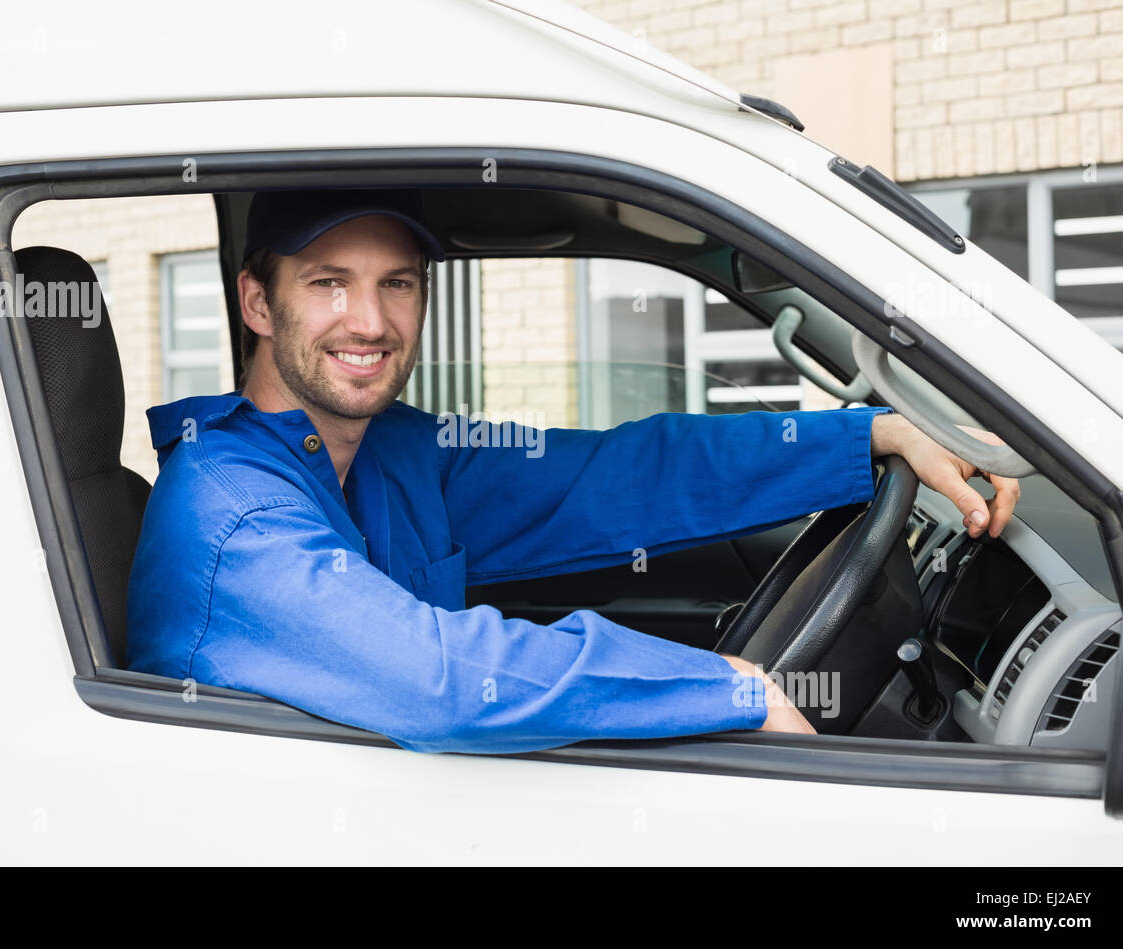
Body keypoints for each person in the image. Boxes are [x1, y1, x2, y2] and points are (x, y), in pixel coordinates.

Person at [125, 188, 1020, 754]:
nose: (369, 320)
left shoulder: (395, 454)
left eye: (397, 283)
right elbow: (435, 680)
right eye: (328, 282)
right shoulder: (229, 510)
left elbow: (616, 476)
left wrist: (868, 436)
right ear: (257, 302)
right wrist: (727, 688)